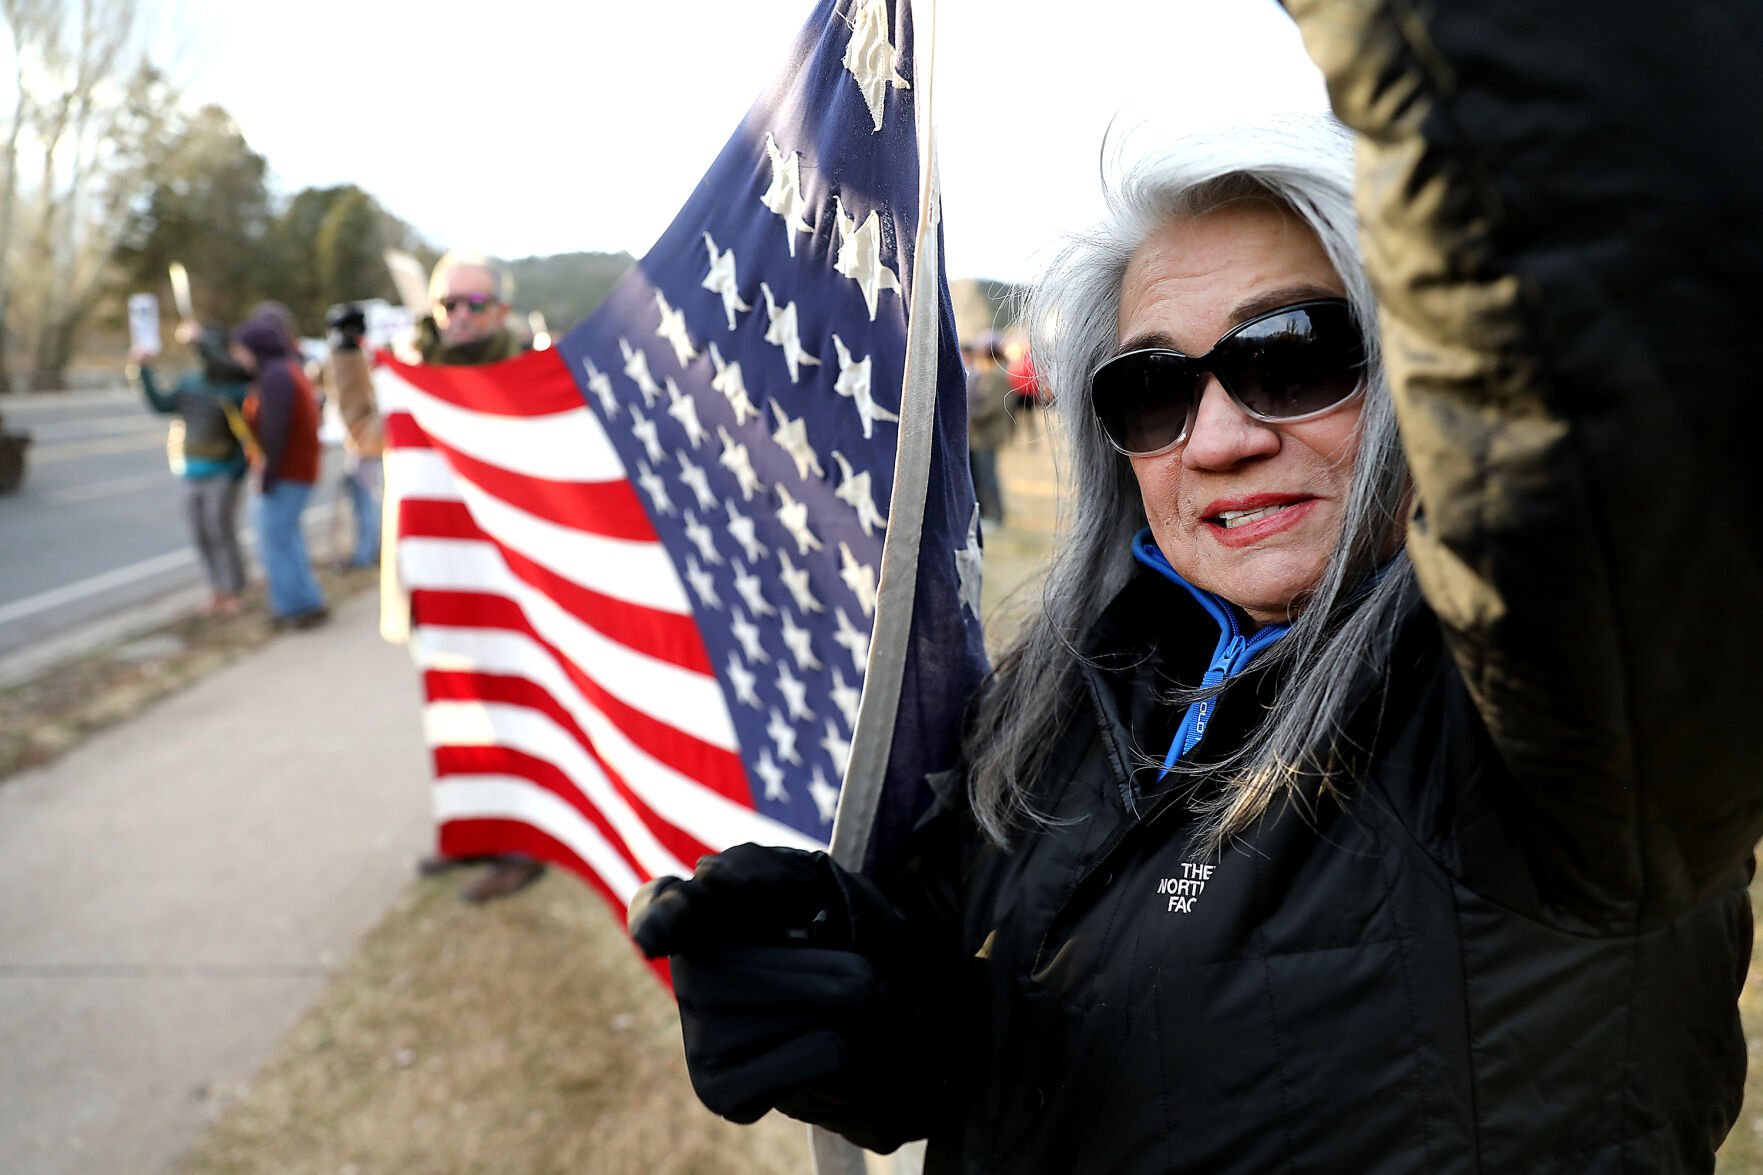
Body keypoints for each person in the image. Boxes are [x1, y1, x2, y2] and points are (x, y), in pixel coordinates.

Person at [625, 9, 1763, 1168]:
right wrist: (849, 999)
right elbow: (1037, 1038)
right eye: (1151, 390)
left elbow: (1630, 271)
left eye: (1291, 354)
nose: (1215, 438)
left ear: (1432, 370)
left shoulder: (1556, 719)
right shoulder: (1074, 690)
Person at [330, 251, 546, 904]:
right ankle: (473, 831)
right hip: (432, 578)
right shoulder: (409, 375)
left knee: (512, 715)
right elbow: (366, 434)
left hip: (502, 582)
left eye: (475, 303)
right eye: (449, 303)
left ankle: (522, 845)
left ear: (500, 310)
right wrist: (346, 355)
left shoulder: (525, 373)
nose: (461, 316)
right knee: (455, 711)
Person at [128, 326, 251, 616]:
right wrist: (142, 369)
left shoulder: (234, 388)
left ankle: (233, 589)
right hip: (191, 471)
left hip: (224, 471)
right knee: (201, 535)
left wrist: (201, 340)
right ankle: (216, 590)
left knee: (221, 532)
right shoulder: (189, 383)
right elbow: (161, 403)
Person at [234, 316, 328, 630]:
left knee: (276, 541)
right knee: (287, 539)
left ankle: (295, 607)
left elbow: (276, 431)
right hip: (294, 470)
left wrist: (267, 474)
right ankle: (303, 601)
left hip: (287, 472)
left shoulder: (276, 377)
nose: (239, 357)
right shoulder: (283, 370)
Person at [964, 339, 1012, 528]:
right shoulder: (988, 374)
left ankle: (996, 515)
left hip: (987, 435)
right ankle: (984, 513)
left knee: (988, 476)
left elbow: (993, 406)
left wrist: (970, 416)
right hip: (977, 436)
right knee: (978, 476)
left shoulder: (998, 376)